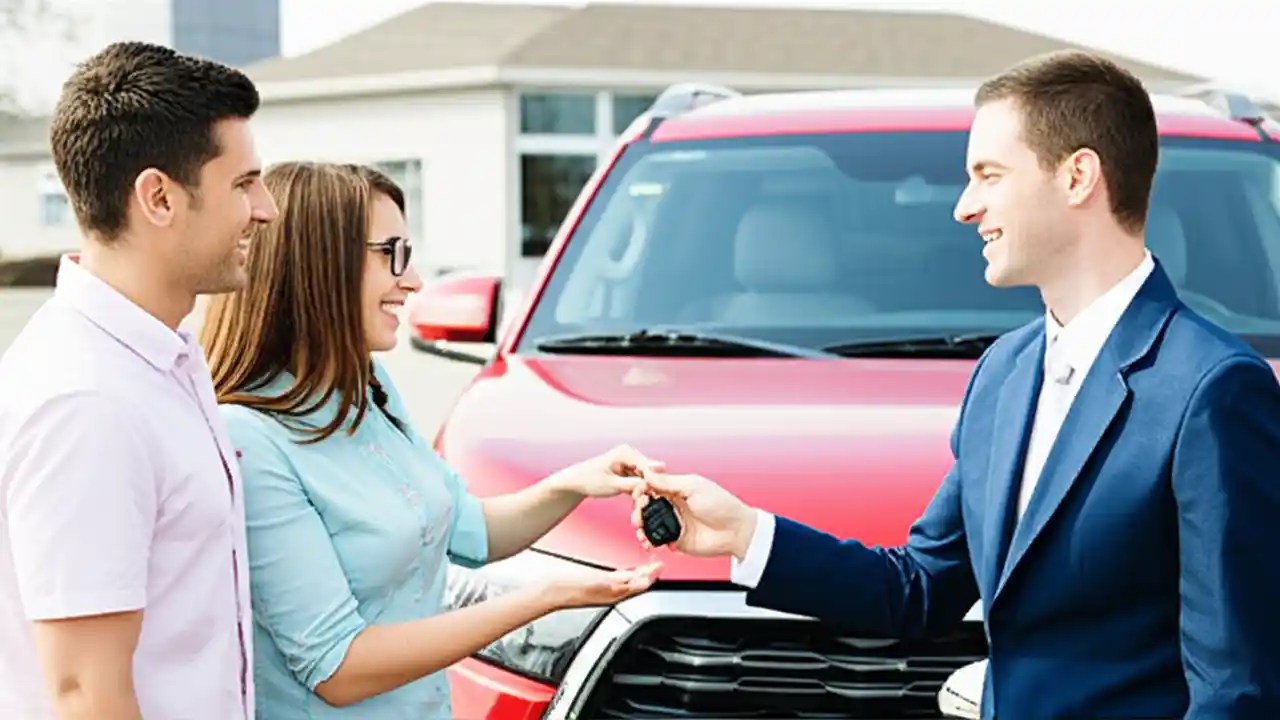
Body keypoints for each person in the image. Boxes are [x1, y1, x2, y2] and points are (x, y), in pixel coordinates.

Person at [631, 50, 1280, 719]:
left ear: (1078, 176)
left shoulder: (1214, 390)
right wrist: (744, 533)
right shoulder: (1004, 372)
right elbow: (919, 588)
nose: (965, 207)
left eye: (988, 176)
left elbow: (1237, 690)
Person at [199, 160, 662, 719]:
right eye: (391, 253)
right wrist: (544, 600)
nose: (413, 280)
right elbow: (338, 668)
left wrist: (577, 484)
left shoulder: (368, 389)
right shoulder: (250, 441)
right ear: (318, 264)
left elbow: (468, 530)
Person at [0, 42, 279, 719]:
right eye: (243, 183)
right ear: (158, 197)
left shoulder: (164, 354)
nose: (266, 208)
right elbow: (85, 696)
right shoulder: (89, 400)